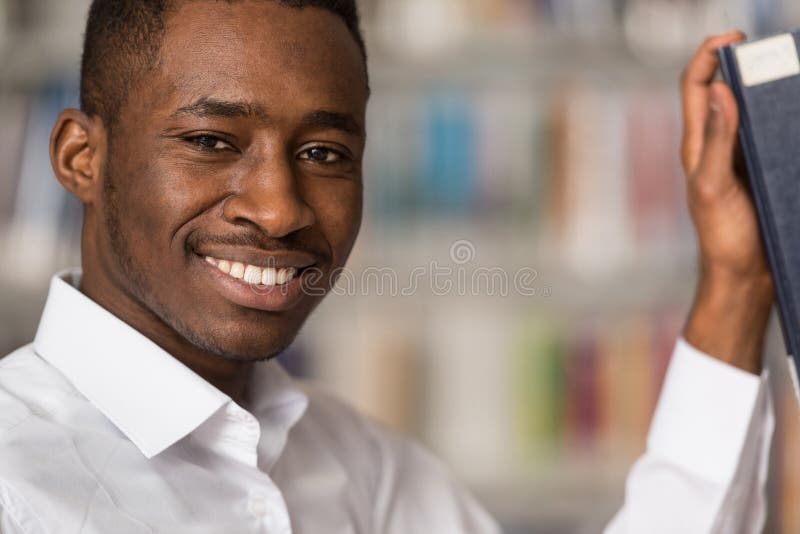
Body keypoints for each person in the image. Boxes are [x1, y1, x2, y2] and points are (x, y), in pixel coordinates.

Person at [0, 0, 773, 530]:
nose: (279, 208)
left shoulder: (358, 465)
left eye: (324, 153)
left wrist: (736, 282)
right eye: (211, 141)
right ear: (81, 158)